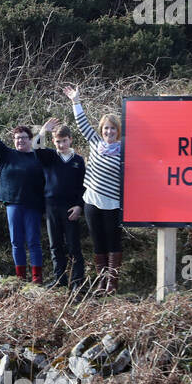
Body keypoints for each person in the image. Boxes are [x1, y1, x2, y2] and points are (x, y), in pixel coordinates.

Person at [0, 104, 46, 283]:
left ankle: (37, 277)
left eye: (23, 138)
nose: (20, 141)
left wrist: (45, 132)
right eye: (16, 138)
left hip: (33, 204)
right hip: (13, 203)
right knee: (16, 241)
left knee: (33, 240)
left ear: (30, 139)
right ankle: (20, 276)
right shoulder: (7, 155)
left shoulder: (39, 157)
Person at [66, 85, 124, 293]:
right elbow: (81, 124)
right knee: (98, 242)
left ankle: (112, 283)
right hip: (92, 202)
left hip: (113, 204)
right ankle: (101, 282)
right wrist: (75, 101)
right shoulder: (95, 142)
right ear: (101, 130)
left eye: (113, 129)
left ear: (118, 132)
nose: (109, 132)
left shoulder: (124, 151)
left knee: (113, 242)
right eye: (106, 128)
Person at [37, 118, 87, 291]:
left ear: (70, 140)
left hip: (71, 209)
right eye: (58, 141)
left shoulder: (78, 160)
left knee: (74, 246)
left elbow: (84, 186)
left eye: (64, 141)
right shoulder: (50, 156)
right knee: (55, 245)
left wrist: (80, 206)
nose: (61, 144)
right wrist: (44, 129)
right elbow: (36, 147)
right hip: (51, 206)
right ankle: (60, 279)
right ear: (53, 142)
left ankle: (77, 283)